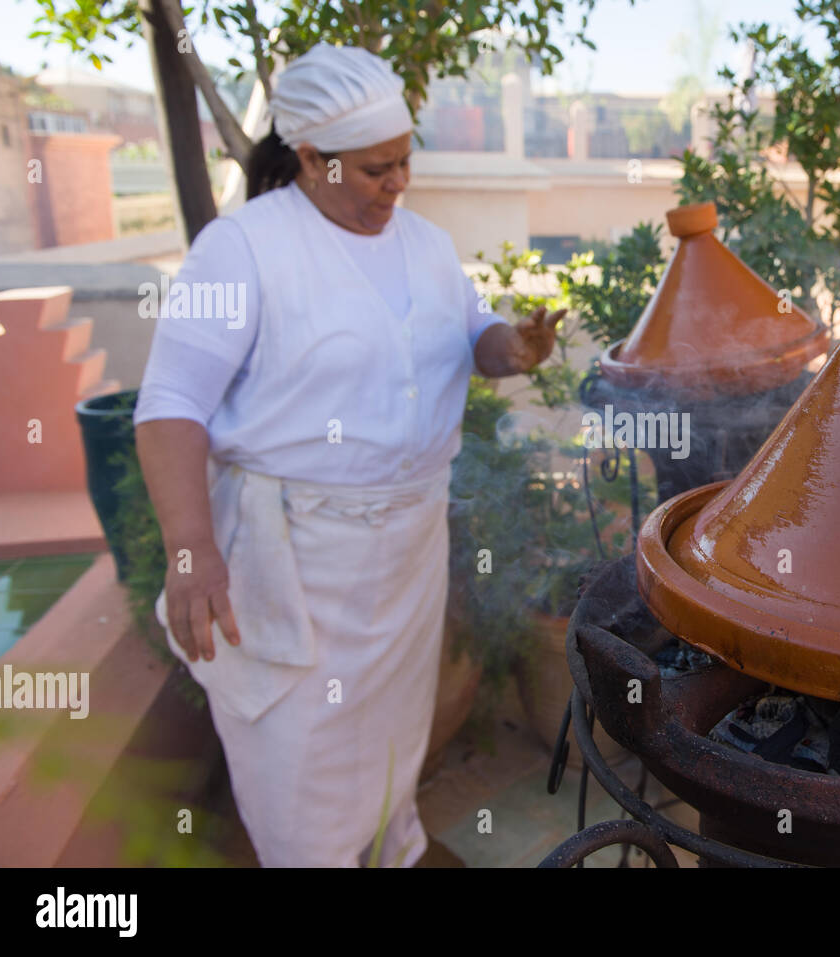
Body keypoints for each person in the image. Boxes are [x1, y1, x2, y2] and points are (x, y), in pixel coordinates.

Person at [133, 42, 563, 867]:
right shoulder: (245, 250)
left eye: (404, 162)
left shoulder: (428, 246)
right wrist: (191, 550)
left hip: (408, 547)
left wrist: (516, 348)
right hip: (293, 551)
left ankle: (394, 843)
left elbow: (476, 338)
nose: (396, 183)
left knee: (393, 719)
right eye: (373, 170)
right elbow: (171, 407)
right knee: (296, 746)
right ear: (310, 160)